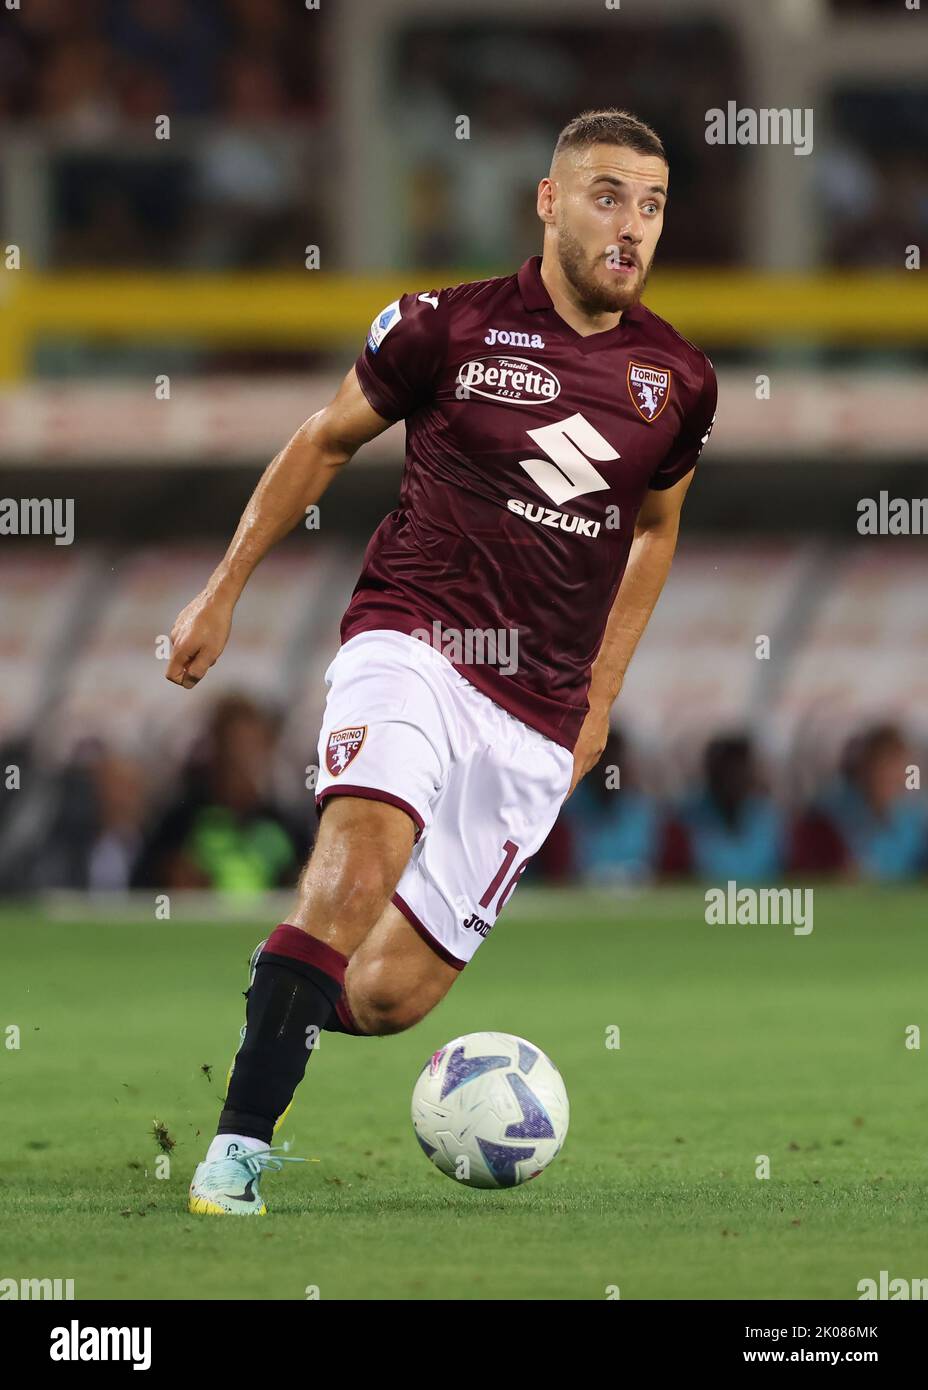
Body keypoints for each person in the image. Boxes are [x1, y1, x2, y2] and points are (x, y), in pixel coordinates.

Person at [166, 108, 718, 1214]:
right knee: (359, 863)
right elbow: (323, 439)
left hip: (539, 711)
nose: (632, 227)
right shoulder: (444, 329)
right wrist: (221, 590)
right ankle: (232, 1155)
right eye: (607, 196)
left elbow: (653, 531)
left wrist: (598, 702)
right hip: (414, 640)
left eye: (652, 206)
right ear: (548, 202)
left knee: (384, 995)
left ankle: (286, 984)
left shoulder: (676, 381)